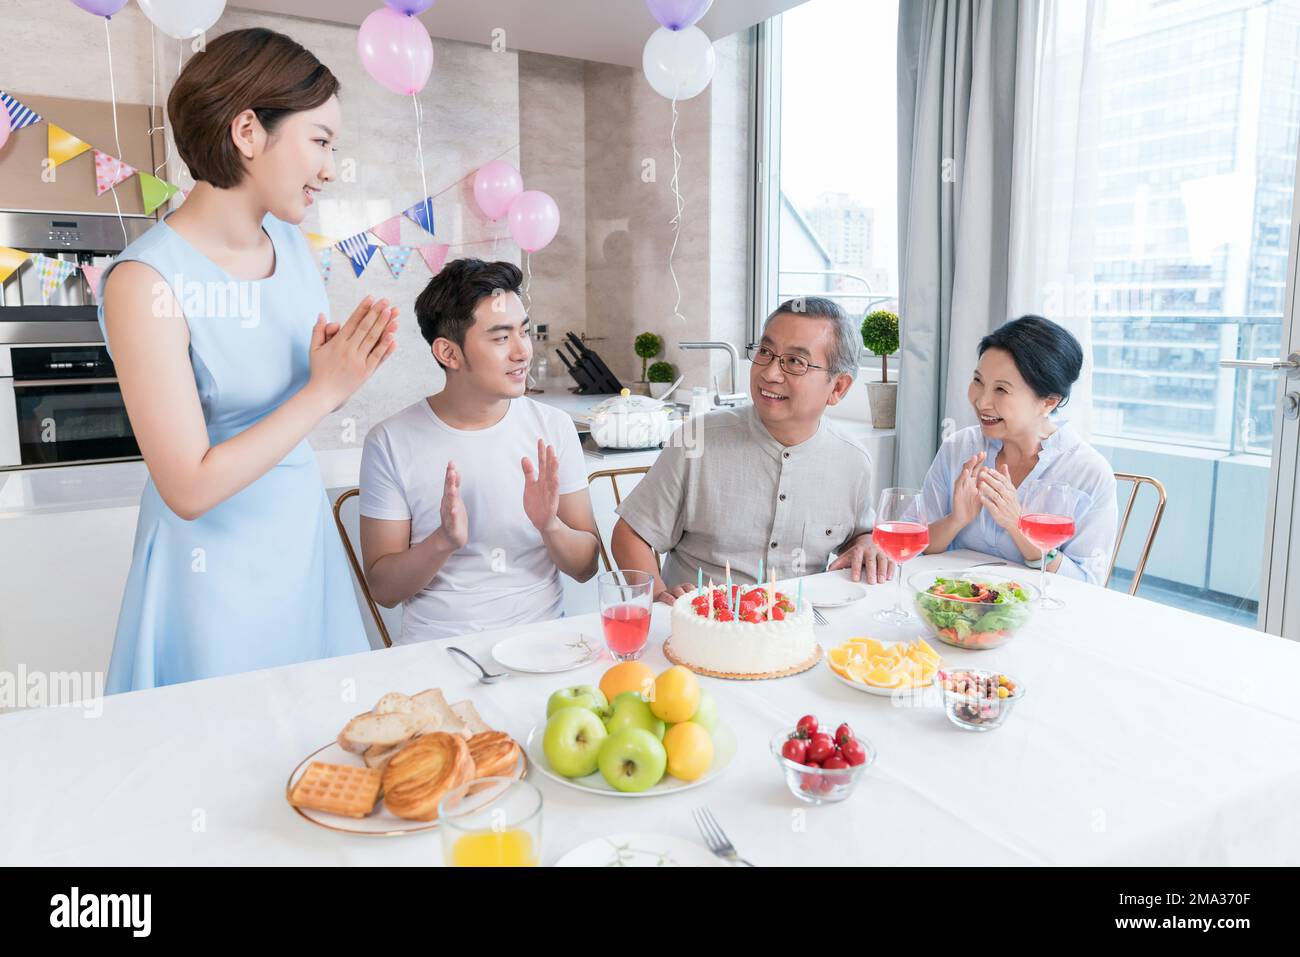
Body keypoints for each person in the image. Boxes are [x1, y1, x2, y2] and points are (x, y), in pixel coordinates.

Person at [98, 28, 397, 692]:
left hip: (299, 541)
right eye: (320, 141)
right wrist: (323, 391)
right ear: (247, 131)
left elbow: (295, 401)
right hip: (210, 570)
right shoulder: (145, 282)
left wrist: (342, 371)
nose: (329, 168)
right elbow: (189, 487)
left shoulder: (293, 248)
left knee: (323, 753)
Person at [358, 259, 600, 641]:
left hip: (541, 645)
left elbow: (587, 567)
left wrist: (549, 525)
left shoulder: (552, 427)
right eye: (501, 338)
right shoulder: (389, 441)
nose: (523, 352)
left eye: (524, 332)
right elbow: (383, 591)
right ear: (449, 354)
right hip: (436, 649)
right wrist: (443, 541)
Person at [612, 297, 893, 604]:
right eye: (765, 352)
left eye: (795, 362)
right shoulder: (698, 441)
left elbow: (857, 535)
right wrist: (658, 599)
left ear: (838, 388)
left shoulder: (852, 461)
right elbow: (631, 534)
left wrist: (866, 543)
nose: (770, 373)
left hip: (798, 628)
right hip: (703, 629)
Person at [922, 315, 1117, 583]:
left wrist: (1018, 526)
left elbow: (1087, 583)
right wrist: (956, 519)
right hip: (954, 608)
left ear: (1048, 402)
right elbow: (916, 544)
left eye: (1001, 389)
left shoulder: (1088, 473)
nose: (982, 401)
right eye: (978, 381)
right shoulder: (960, 447)